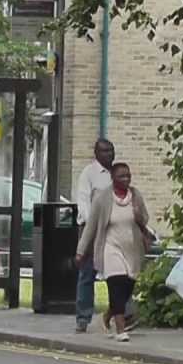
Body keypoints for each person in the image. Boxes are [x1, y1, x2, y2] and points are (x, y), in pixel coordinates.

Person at [75, 162, 152, 342]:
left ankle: (107, 315)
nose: (125, 179)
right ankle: (120, 329)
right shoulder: (103, 198)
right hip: (110, 247)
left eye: (128, 176)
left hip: (132, 249)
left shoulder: (136, 195)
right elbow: (91, 227)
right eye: (121, 176)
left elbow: (145, 219)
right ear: (113, 178)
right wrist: (81, 251)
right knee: (116, 284)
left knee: (126, 288)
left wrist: (139, 215)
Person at [74, 137, 116, 332]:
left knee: (116, 273)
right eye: (105, 151)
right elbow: (83, 203)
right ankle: (83, 317)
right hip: (92, 230)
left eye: (111, 151)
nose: (109, 154)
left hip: (113, 230)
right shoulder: (89, 174)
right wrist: (94, 227)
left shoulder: (116, 174)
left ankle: (119, 313)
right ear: (96, 153)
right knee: (87, 274)